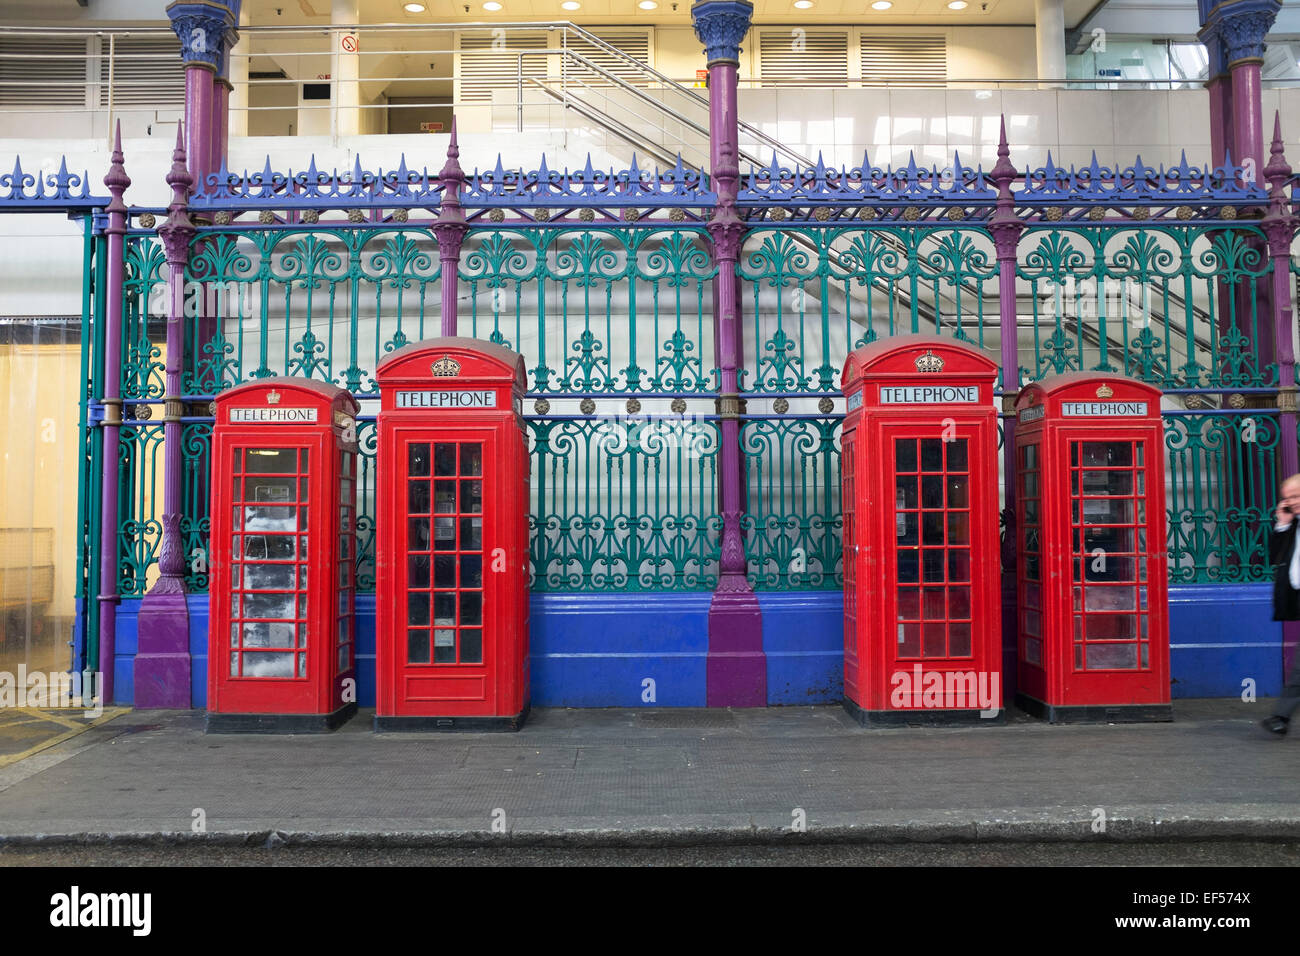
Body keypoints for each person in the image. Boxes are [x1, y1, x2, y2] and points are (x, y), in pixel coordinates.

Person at [1261, 473, 1300, 734]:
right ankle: (1281, 717)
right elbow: (1274, 557)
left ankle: (1281, 717)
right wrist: (1283, 524)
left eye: (1296, 497)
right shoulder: (1292, 523)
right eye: (1287, 498)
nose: (1291, 503)